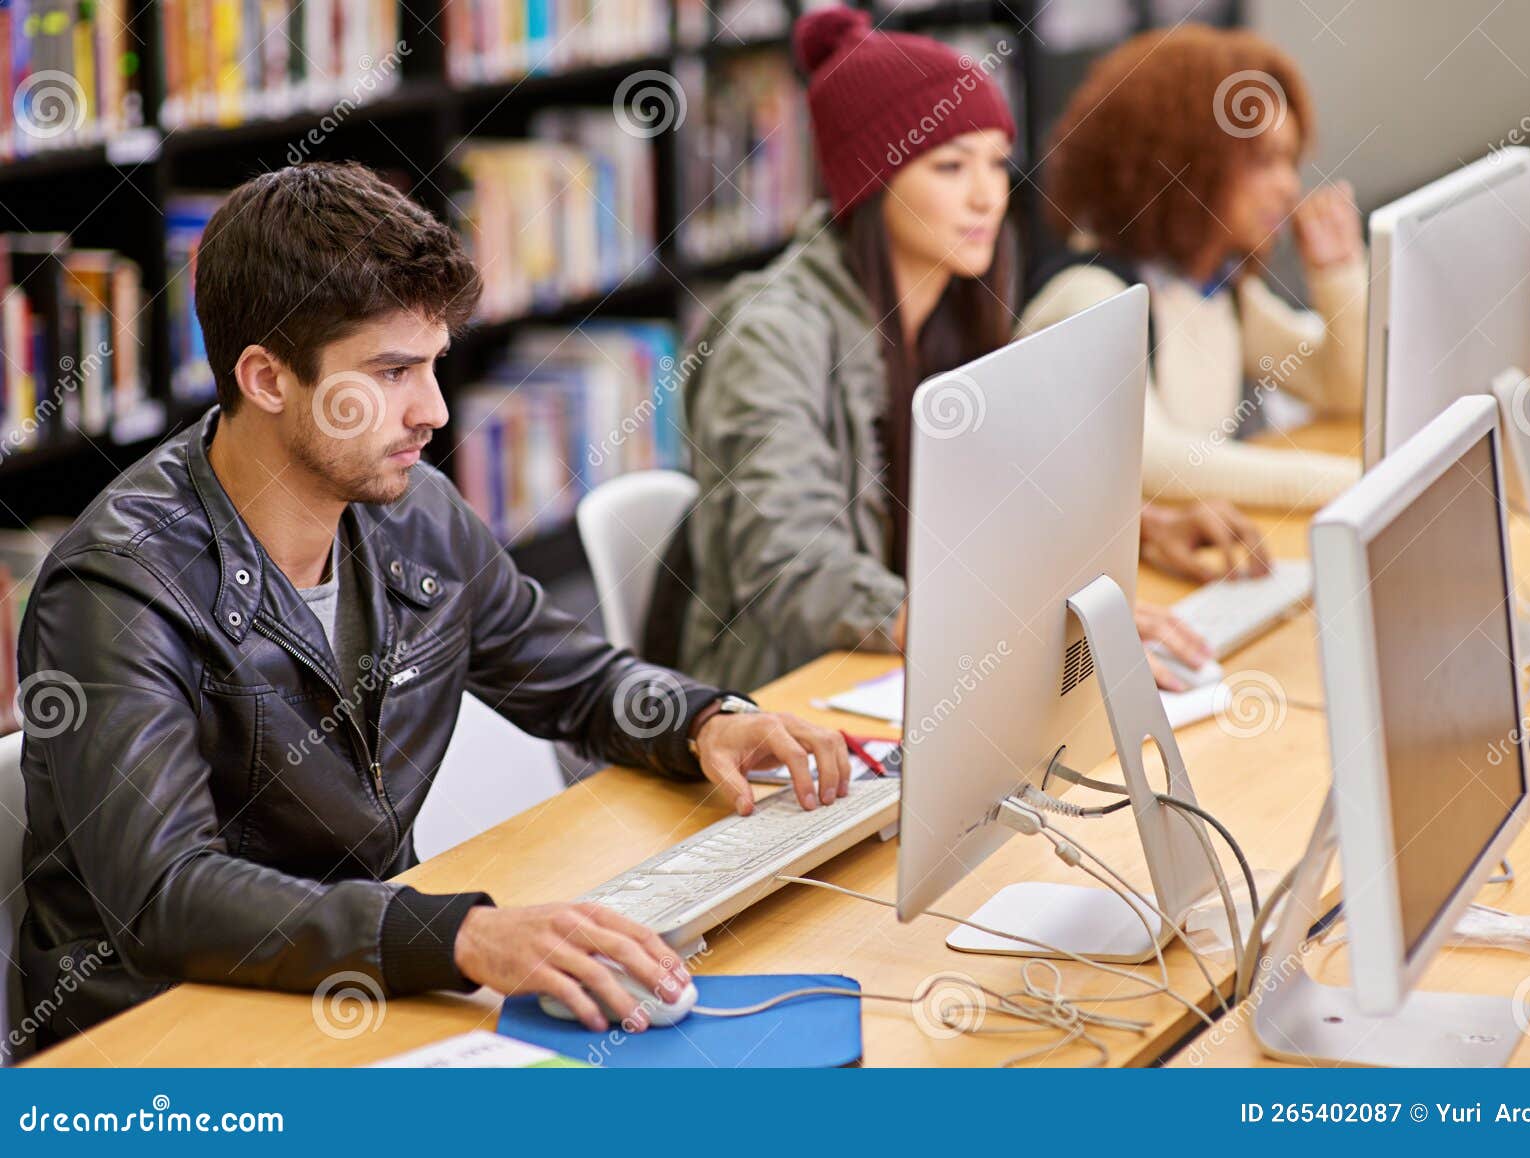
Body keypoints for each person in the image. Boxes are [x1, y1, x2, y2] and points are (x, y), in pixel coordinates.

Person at [14, 162, 854, 1048]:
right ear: (266, 378)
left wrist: (704, 722)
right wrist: (461, 936)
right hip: (165, 1042)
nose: (434, 410)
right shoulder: (115, 586)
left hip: (359, 989)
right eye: (391, 372)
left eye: (433, 365)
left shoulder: (413, 513)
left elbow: (568, 678)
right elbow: (166, 895)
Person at [669, 7, 1267, 694]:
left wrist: (1144, 530)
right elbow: (791, 572)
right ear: (873, 182)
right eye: (951, 167)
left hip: (907, 670)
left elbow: (1005, 501)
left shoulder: (956, 309)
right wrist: (1006, 629)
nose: (987, 197)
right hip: (790, 691)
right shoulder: (771, 336)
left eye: (996, 164)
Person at [1018, 24, 1366, 510]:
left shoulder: (1215, 288)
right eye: (1263, 162)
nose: (1289, 186)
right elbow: (1152, 461)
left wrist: (1338, 273)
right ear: (1179, 163)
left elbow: (1342, 389)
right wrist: (1355, 481)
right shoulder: (1091, 293)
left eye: (1291, 160)